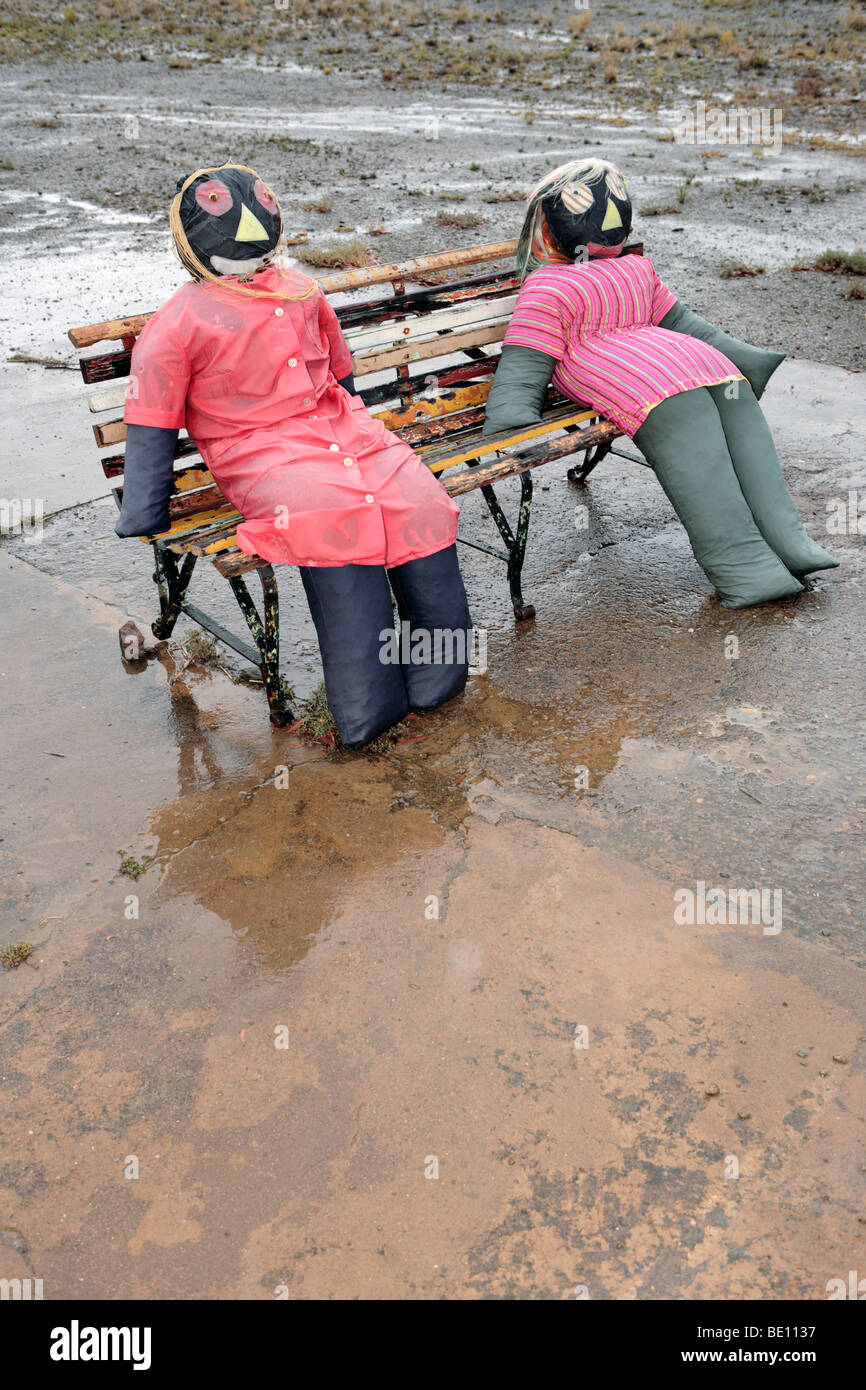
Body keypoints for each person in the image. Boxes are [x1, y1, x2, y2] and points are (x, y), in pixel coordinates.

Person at [115, 162, 472, 747]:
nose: (257, 259)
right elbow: (152, 412)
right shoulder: (179, 321)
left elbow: (338, 366)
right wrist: (145, 507)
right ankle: (368, 714)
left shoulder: (302, 289)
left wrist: (361, 434)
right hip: (257, 451)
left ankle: (439, 681)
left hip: (337, 428)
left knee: (420, 501)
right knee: (334, 518)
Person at [483, 157, 838, 609]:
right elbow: (684, 322)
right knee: (748, 449)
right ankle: (792, 547)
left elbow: (525, 361)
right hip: (709, 369)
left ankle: (749, 571)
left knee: (702, 469)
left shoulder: (549, 285)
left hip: (649, 387)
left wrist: (510, 415)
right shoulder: (635, 269)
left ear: (547, 228)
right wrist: (743, 360)